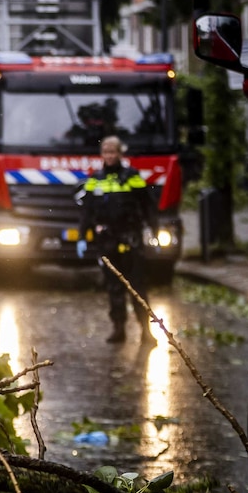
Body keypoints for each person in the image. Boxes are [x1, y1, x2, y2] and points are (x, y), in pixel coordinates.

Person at [76, 135, 158, 344]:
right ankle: (118, 328)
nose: (110, 156)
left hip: (131, 238)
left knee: (137, 286)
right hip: (107, 240)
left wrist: (154, 229)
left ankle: (145, 331)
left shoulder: (132, 176)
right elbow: (87, 210)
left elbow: (147, 204)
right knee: (113, 286)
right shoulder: (96, 179)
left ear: (120, 154)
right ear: (102, 154)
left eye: (113, 152)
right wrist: (83, 235)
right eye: (106, 152)